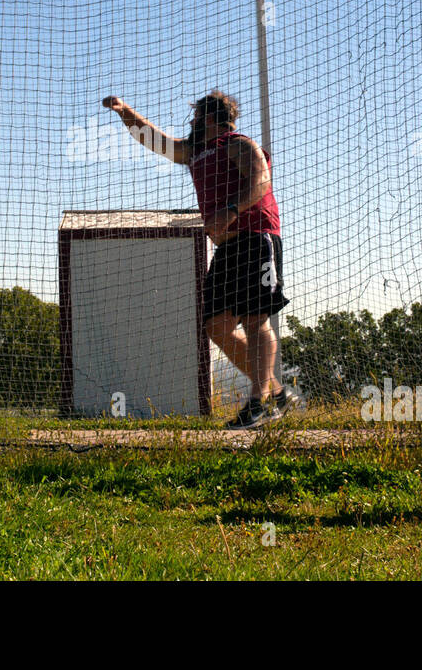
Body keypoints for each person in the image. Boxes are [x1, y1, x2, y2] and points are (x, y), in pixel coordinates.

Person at [102, 91, 294, 428]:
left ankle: (257, 403)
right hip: (227, 248)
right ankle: (277, 393)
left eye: (194, 118)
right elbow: (155, 141)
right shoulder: (195, 153)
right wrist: (125, 112)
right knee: (217, 327)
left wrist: (231, 210)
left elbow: (261, 182)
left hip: (257, 237)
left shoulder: (238, 144)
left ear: (206, 118)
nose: (189, 123)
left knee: (254, 319)